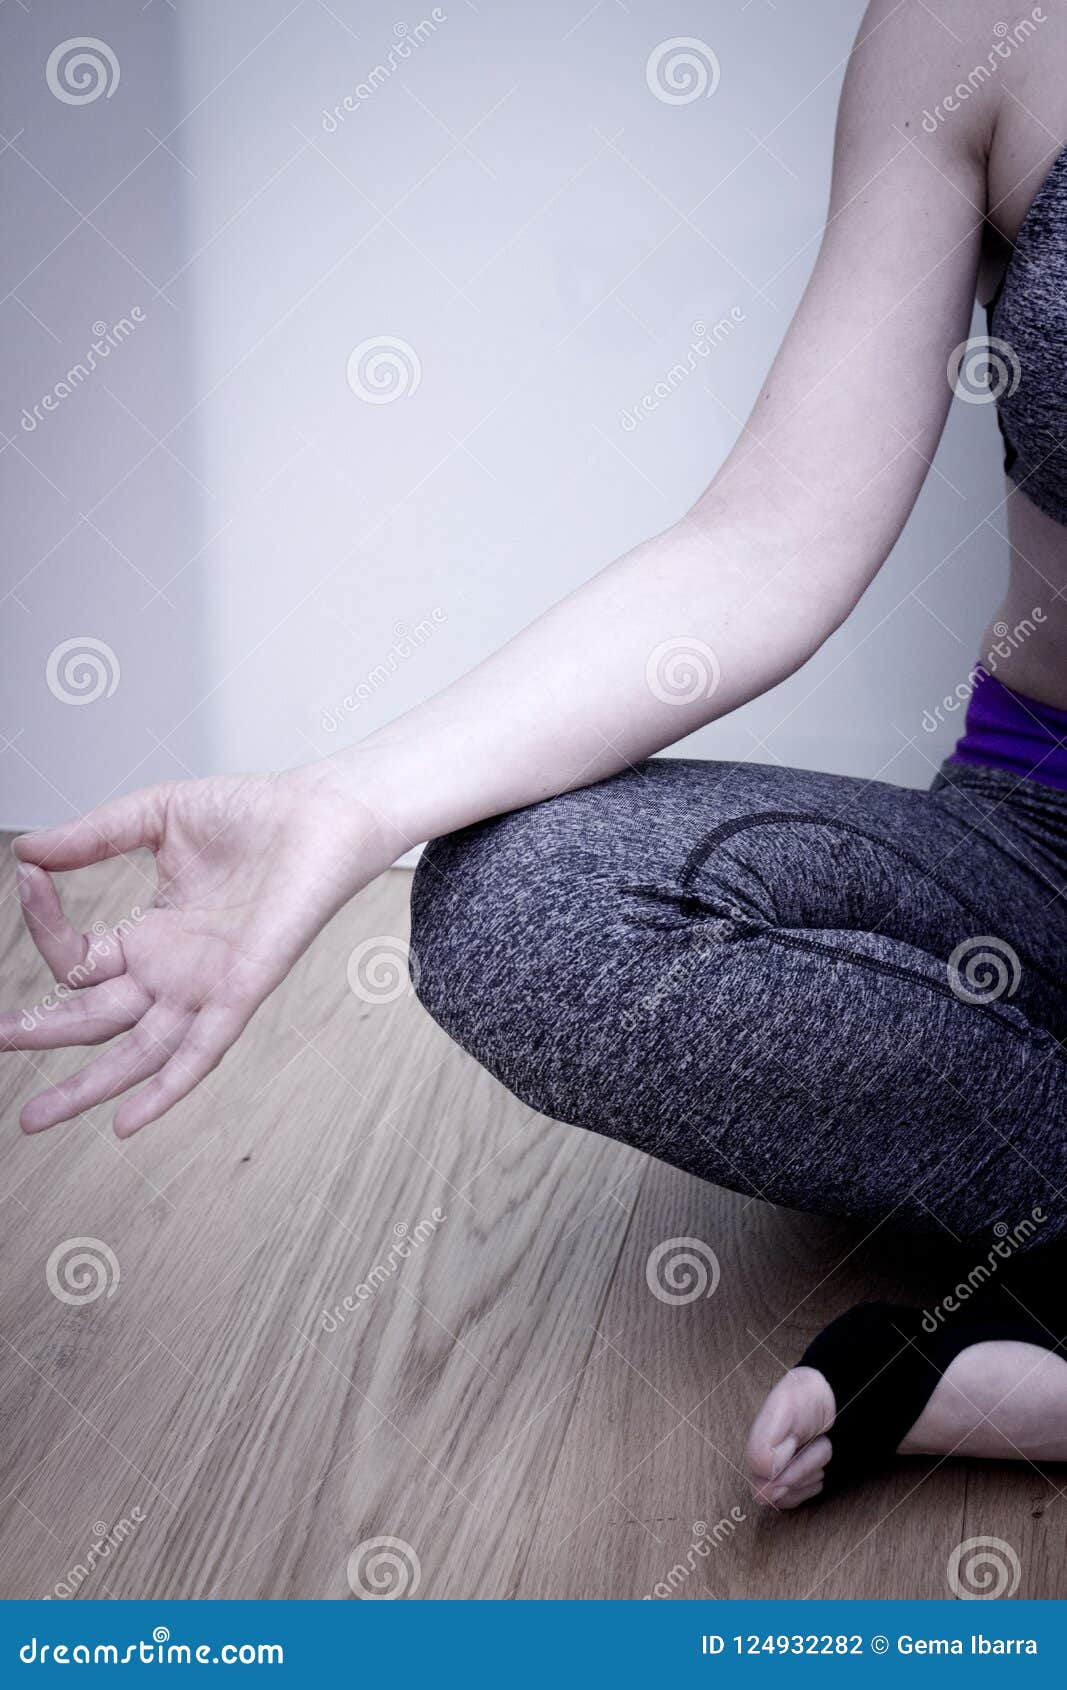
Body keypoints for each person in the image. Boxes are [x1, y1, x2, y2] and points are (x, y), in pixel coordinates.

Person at [3, 0, 1066, 1508]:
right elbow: (770, 539)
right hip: (1038, 839)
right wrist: (344, 801)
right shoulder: (977, 30)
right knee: (522, 900)